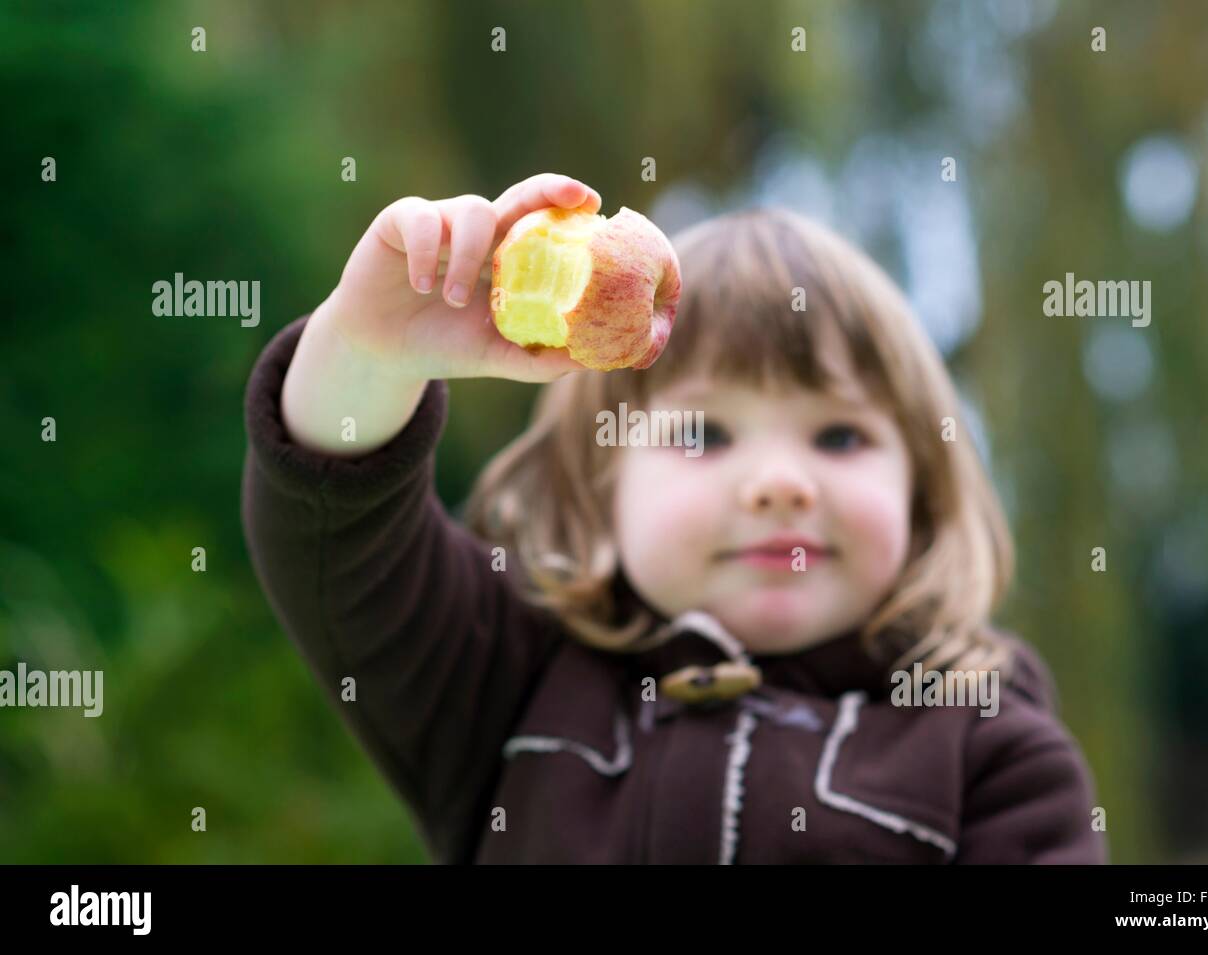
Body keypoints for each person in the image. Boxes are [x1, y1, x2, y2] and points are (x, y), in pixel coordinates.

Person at [241, 172, 1106, 864]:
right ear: (597, 488)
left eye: (840, 435)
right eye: (703, 432)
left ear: (925, 493)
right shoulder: (508, 682)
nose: (779, 483)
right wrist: (368, 350)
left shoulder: (990, 750)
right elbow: (337, 544)